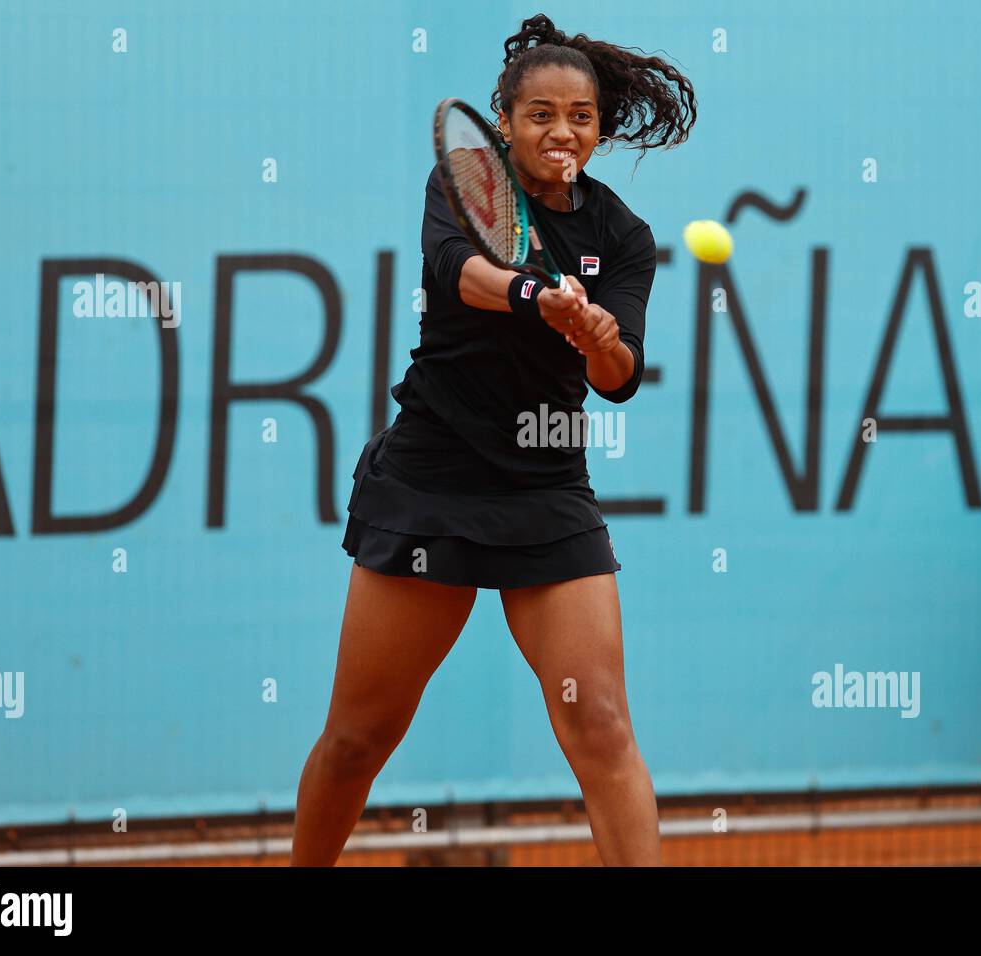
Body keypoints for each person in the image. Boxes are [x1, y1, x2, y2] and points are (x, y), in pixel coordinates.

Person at [290, 13, 696, 866]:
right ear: (505, 122)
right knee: (359, 739)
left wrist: (595, 340)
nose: (561, 132)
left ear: (601, 126)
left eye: (580, 116)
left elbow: (619, 377)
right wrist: (529, 296)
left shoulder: (622, 237)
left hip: (546, 492)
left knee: (603, 724)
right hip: (433, 479)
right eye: (540, 114)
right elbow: (457, 272)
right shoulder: (466, 178)